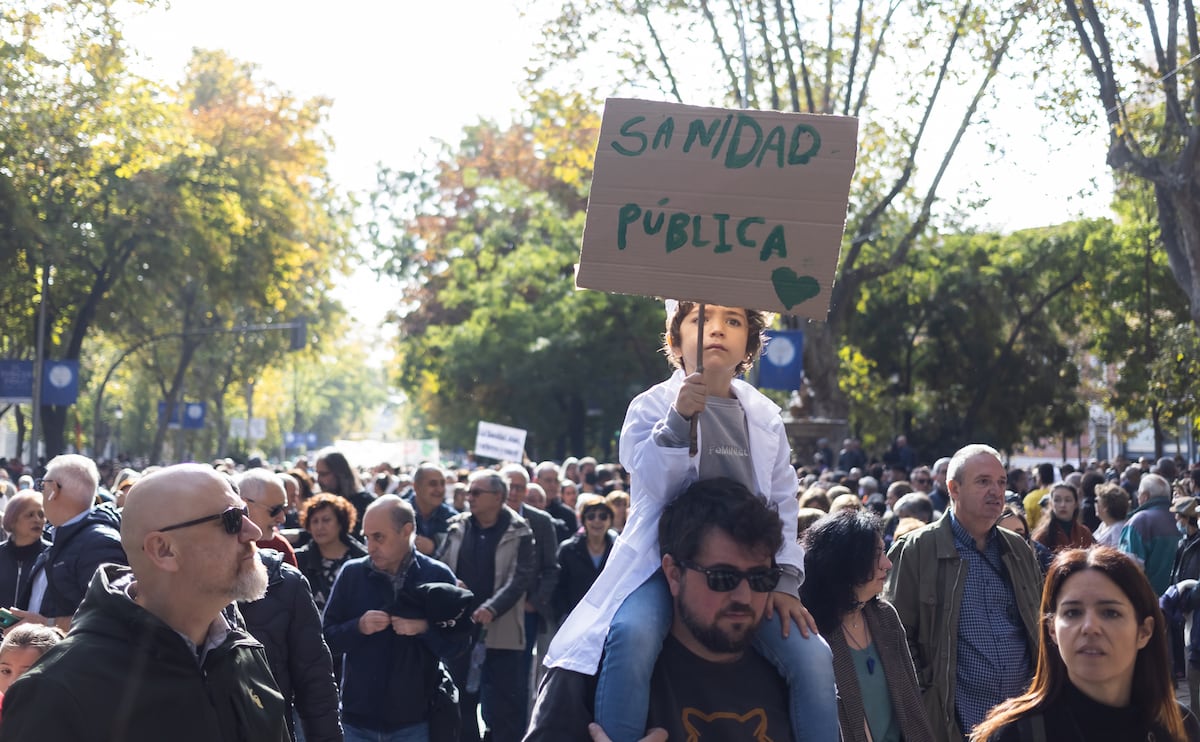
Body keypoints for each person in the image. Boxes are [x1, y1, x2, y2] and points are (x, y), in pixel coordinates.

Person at [545, 301, 834, 742]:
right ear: (676, 341)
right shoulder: (650, 406)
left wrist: (785, 582)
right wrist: (678, 422)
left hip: (749, 575)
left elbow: (782, 500)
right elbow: (652, 485)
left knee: (813, 655)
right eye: (701, 319)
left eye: (733, 321)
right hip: (660, 566)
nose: (717, 329)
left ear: (750, 345)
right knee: (632, 636)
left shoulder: (766, 417)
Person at [0, 463, 289, 742]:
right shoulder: (57, 690)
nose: (253, 532)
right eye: (232, 520)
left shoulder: (241, 651)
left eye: (246, 514)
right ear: (163, 550)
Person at [526, 477, 795, 741]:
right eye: (723, 577)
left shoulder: (793, 676)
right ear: (674, 574)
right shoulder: (586, 674)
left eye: (761, 578)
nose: (744, 597)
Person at [885, 444, 1043, 742]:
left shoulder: (1018, 549)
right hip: (953, 726)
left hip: (1021, 722)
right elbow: (895, 636)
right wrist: (925, 699)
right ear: (953, 489)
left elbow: (1038, 624)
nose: (996, 491)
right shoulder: (917, 550)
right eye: (983, 481)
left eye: (1001, 482)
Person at [970, 546, 1200, 742]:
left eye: (1110, 613)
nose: (1090, 627)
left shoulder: (1177, 726)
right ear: (1052, 630)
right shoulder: (1015, 734)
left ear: (1144, 631)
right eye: (1073, 613)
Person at [323, 495, 473, 742]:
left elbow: (457, 646)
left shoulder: (437, 575)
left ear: (407, 531)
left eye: (378, 537)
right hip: (356, 719)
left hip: (415, 721)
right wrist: (358, 627)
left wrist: (424, 628)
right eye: (366, 537)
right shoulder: (352, 573)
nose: (370, 546)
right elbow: (325, 639)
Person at [801, 510, 935, 742]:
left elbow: (912, 703)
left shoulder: (886, 617)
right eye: (876, 555)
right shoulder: (810, 628)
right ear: (845, 562)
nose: (887, 564)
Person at [439, 471, 536, 742]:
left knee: (505, 705)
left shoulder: (520, 530)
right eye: (468, 492)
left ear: (497, 497)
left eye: (476, 492)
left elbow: (521, 578)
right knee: (459, 701)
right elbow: (440, 564)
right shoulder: (457, 527)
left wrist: (492, 608)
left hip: (503, 632)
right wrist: (450, 582)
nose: (469, 497)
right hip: (460, 629)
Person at [238, 544, 342, 742]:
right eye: (232, 527)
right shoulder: (175, 591)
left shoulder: (286, 583)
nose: (253, 532)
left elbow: (315, 684)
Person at [15, 454, 126, 631]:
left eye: (43, 485)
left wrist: (46, 624)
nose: (41, 492)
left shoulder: (99, 543)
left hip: (69, 649)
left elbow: (110, 618)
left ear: (54, 489)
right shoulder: (63, 538)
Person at [294, 493, 367, 613]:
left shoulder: (362, 559)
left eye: (326, 520)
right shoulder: (300, 560)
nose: (320, 527)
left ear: (341, 522)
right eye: (314, 521)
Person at [554, 495, 616, 621]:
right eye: (591, 516)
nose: (597, 521)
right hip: (573, 619)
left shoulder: (618, 551)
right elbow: (558, 587)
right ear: (584, 521)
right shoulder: (568, 550)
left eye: (603, 516)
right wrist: (563, 615)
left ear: (610, 520)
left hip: (608, 619)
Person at [1120, 472, 1178, 595]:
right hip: (1177, 599)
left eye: (1139, 494)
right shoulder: (1180, 519)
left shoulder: (1139, 522)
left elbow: (1128, 570)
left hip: (1148, 599)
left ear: (1145, 496)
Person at [238, 468, 299, 567]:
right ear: (245, 504)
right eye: (275, 509)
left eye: (283, 508)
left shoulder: (280, 548)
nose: (282, 519)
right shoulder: (220, 545)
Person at [0, 490, 50, 608]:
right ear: (12, 520)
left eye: (41, 515)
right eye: (30, 515)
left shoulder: (52, 555)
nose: (37, 520)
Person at [315, 448, 374, 540]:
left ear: (340, 474)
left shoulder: (364, 502)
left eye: (324, 474)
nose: (318, 480)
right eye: (318, 474)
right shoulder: (320, 503)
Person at [406, 464, 458, 557]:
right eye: (433, 484)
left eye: (442, 484)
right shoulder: (398, 513)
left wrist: (435, 547)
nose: (439, 489)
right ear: (416, 487)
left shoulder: (453, 520)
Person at [1030, 482, 1094, 553]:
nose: (1062, 505)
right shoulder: (1043, 535)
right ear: (1051, 504)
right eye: (1057, 500)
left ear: (1075, 504)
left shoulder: (1084, 533)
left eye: (1068, 500)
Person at [1092, 482, 1131, 548]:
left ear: (1106, 507)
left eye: (1097, 501)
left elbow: (1118, 552)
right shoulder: (1103, 524)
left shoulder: (1118, 529)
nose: (1095, 504)